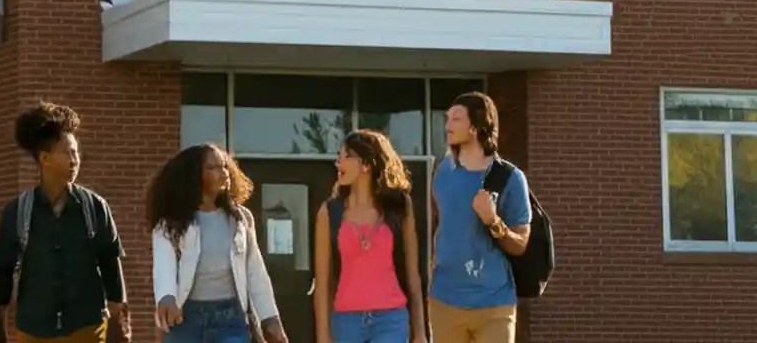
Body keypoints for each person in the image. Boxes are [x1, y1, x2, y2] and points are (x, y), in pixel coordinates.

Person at [0, 101, 131, 343]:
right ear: (44, 158)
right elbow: (2, 270)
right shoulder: (17, 212)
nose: (75, 159)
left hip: (87, 328)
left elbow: (111, 265)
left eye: (77, 152)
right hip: (33, 329)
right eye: (68, 152)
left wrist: (119, 321)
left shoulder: (95, 207)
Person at [147, 143, 288, 343]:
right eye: (212, 168)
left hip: (230, 318)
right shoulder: (170, 223)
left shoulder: (240, 219)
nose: (223, 173)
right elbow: (163, 265)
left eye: (224, 166)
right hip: (185, 319)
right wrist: (166, 298)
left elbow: (255, 272)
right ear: (193, 175)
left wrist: (270, 319)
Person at [428, 92, 531, 343]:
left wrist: (493, 220)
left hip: (494, 303)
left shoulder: (509, 177)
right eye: (447, 118)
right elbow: (440, 225)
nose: (447, 125)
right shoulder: (442, 171)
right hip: (445, 300)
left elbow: (521, 244)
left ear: (475, 126)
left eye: (456, 119)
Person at [313, 129, 427, 343]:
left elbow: (413, 276)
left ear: (366, 164)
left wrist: (420, 332)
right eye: (338, 157)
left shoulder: (399, 207)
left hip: (391, 319)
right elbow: (323, 284)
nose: (338, 164)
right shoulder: (329, 212)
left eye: (347, 157)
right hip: (346, 322)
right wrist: (323, 335)